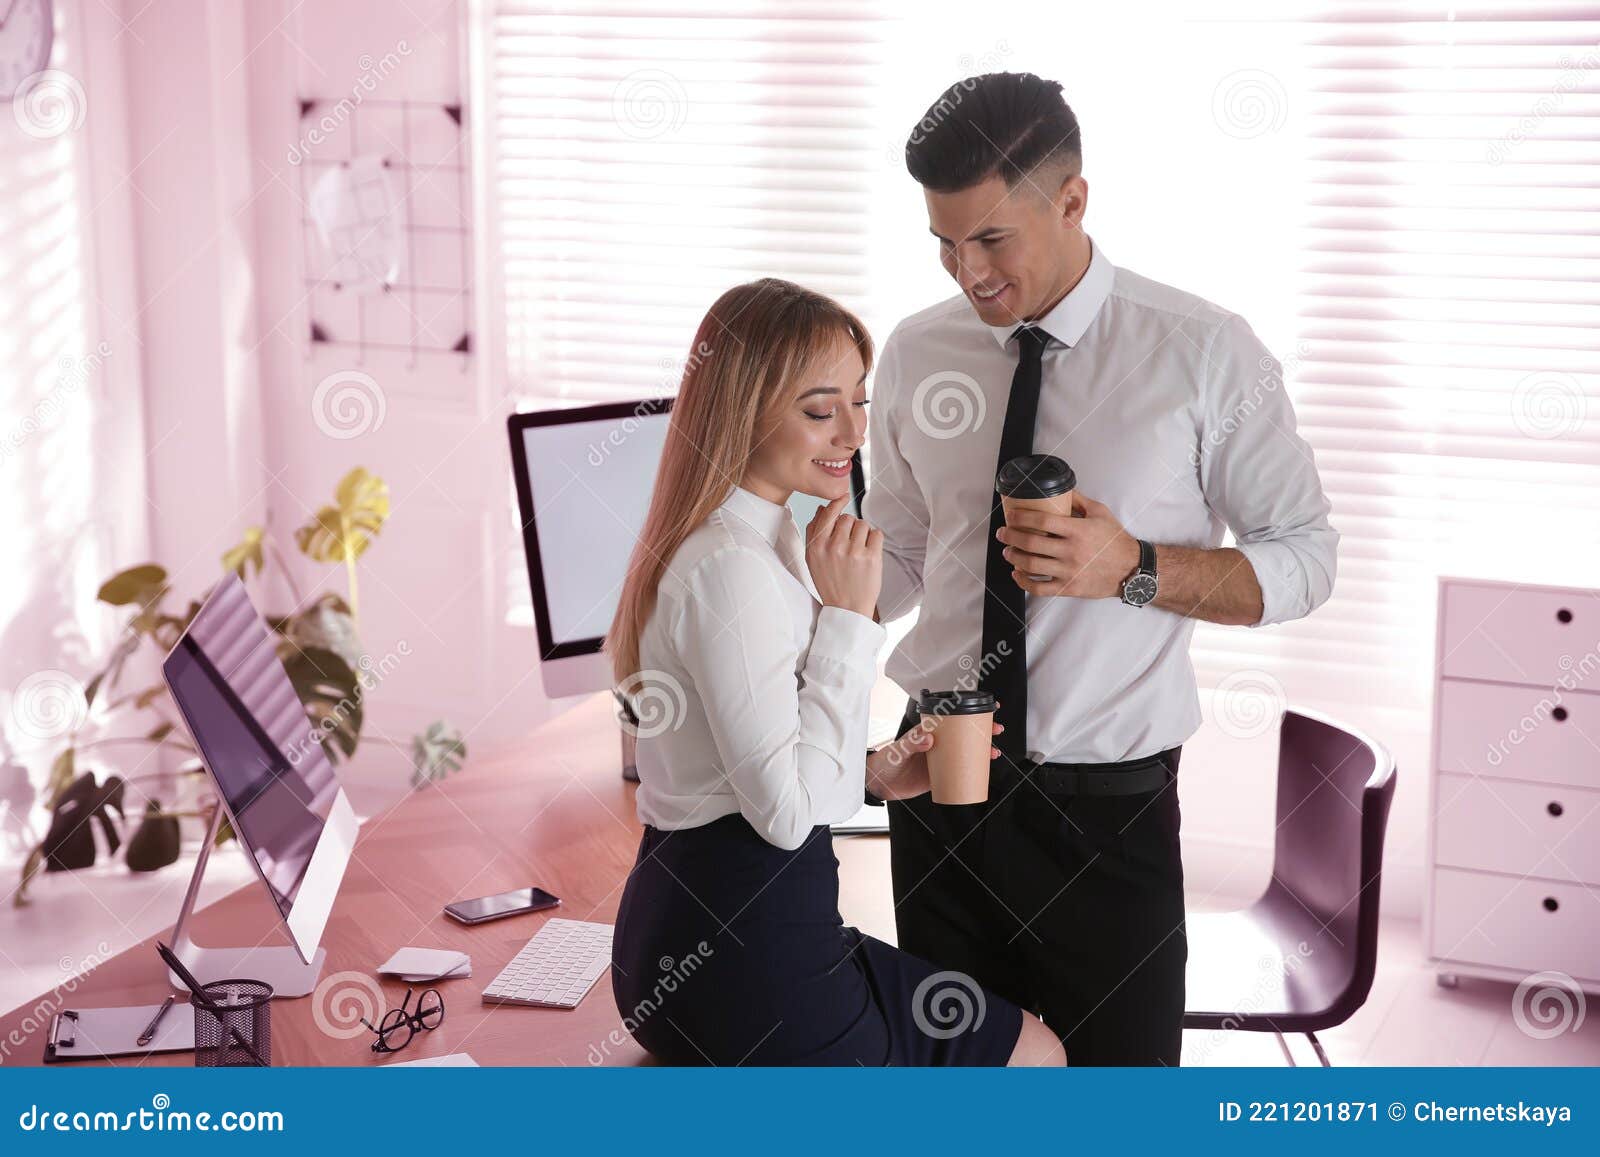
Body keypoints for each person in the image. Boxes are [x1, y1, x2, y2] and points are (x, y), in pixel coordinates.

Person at [859, 72, 1339, 1066]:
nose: (968, 273)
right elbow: (901, 556)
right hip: (935, 781)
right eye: (944, 244)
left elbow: (1304, 559)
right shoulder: (915, 351)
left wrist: (1134, 567)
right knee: (954, 1097)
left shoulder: (1203, 353)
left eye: (991, 238)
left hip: (1102, 818)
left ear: (1073, 200)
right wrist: (766, 585)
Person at [605, 277, 1064, 1067]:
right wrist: (851, 619)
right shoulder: (732, 567)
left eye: (859, 400)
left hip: (716, 923)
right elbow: (784, 818)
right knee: (1035, 1058)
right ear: (744, 412)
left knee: (1031, 1045)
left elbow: (771, 766)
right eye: (822, 410)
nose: (853, 431)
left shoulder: (769, 541)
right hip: (743, 942)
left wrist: (880, 773)